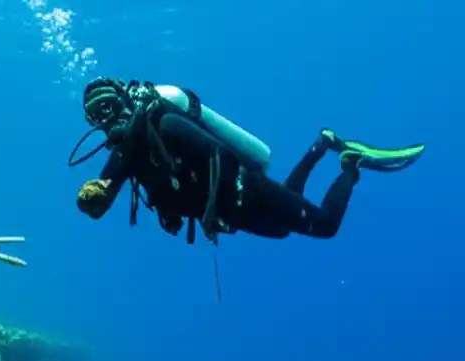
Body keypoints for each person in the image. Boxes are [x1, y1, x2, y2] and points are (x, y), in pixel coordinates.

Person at [70, 77, 425, 243]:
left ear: (125, 102)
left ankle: (351, 165)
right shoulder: (123, 155)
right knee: (282, 230)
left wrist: (213, 210)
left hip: (244, 192)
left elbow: (219, 152)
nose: (107, 118)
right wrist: (95, 200)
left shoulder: (165, 122)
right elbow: (105, 189)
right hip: (229, 212)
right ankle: (321, 145)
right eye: (97, 115)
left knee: (325, 227)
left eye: (110, 107)